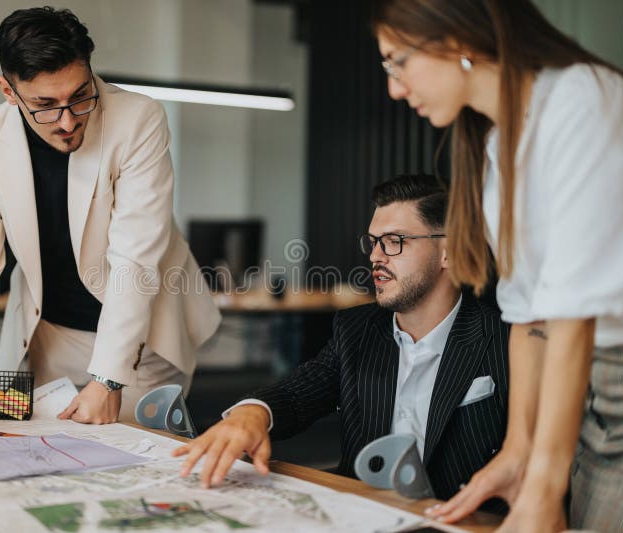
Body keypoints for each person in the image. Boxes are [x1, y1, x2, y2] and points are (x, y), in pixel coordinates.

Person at [371, 1, 623, 531]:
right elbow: (530, 319)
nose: (395, 88)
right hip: (579, 390)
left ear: (453, 35)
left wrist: (544, 483)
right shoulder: (497, 143)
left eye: (397, 61)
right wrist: (519, 453)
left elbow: (572, 316)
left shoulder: (583, 98)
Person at [0, 7, 220, 431]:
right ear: (9, 91)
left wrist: (108, 377)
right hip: (45, 329)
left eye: (80, 96)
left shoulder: (138, 119)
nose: (67, 120)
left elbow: (134, 259)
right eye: (44, 104)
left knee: (128, 460)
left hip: (140, 335)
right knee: (23, 447)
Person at [173, 175, 510, 510]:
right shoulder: (357, 330)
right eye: (373, 242)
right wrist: (251, 414)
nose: (376, 257)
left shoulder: (504, 339)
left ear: (448, 252)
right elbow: (298, 393)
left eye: (393, 241)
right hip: (362, 515)